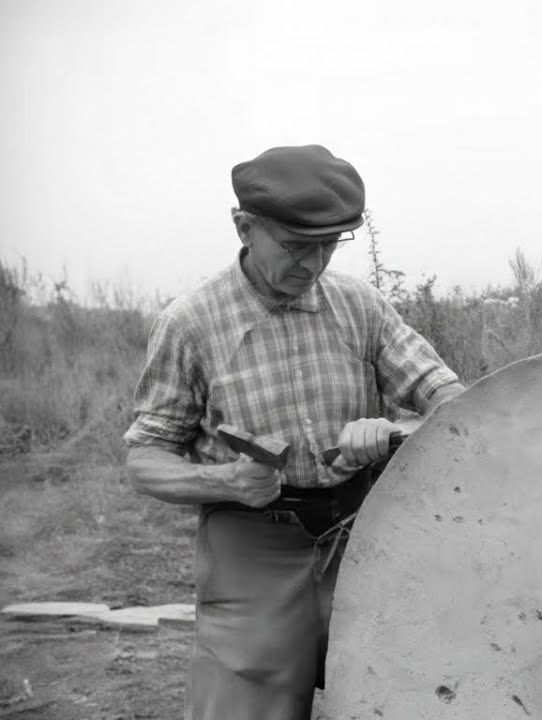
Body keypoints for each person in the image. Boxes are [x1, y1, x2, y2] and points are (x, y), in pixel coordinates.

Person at [123, 144, 464, 719]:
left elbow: (454, 404)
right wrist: (229, 481)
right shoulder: (191, 323)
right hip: (252, 547)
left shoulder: (360, 306)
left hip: (364, 532)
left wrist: (394, 431)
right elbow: (145, 459)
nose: (314, 265)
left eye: (329, 246)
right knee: (244, 704)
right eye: (296, 246)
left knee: (408, 689)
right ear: (244, 227)